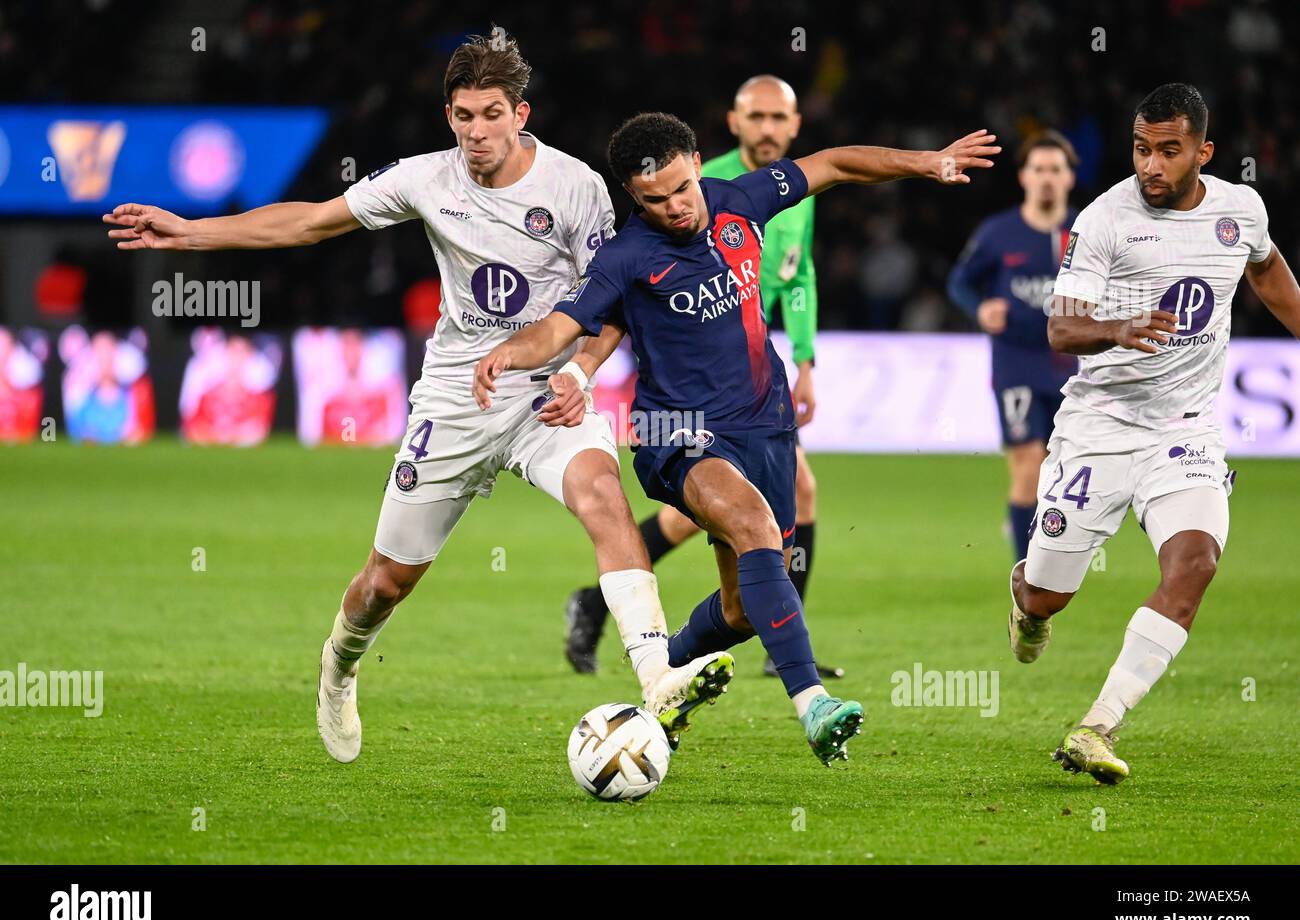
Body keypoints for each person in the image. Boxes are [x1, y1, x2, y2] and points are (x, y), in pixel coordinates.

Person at [103, 33, 735, 762]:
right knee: (387, 582)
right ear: (449, 116)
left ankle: (656, 679)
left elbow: (611, 298)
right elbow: (312, 220)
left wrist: (581, 372)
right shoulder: (425, 180)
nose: (476, 131)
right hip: (455, 397)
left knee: (605, 500)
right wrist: (192, 234)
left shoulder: (576, 188)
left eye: (491, 114)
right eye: (463, 115)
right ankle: (338, 665)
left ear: (520, 113)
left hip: (544, 394)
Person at [476, 112, 998, 763]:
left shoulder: (742, 199)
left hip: (764, 424)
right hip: (675, 434)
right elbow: (564, 325)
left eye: (680, 189)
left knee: (744, 609)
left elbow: (833, 164)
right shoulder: (627, 256)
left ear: (697, 163)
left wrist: (926, 161)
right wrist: (518, 357)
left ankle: (661, 684)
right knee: (752, 524)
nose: (672, 208)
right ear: (633, 201)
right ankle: (813, 705)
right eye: (653, 200)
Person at [1008, 83, 1300, 783]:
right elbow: (1060, 327)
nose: (1152, 166)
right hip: (1099, 429)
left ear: (1204, 150)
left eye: (1169, 151)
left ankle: (1095, 726)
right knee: (1049, 594)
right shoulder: (1106, 219)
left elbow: (1266, 271)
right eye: (1142, 149)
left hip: (1187, 430)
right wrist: (1118, 327)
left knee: (1195, 562)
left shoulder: (1241, 209)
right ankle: (1026, 598)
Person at [563, 75, 842, 680]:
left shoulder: (789, 190)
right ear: (734, 123)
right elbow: (624, 297)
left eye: (778, 118)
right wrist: (583, 364)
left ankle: (747, 625)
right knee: (741, 510)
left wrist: (806, 359)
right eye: (756, 116)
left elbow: (797, 277)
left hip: (751, 378)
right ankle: (782, 643)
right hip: (694, 382)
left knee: (728, 512)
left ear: (794, 126)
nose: (768, 128)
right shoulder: (699, 182)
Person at [947, 131, 1080, 560]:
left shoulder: (1083, 234)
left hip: (1071, 367)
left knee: (1060, 471)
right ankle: (1027, 576)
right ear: (1024, 176)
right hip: (1016, 364)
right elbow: (960, 282)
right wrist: (981, 307)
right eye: (1038, 169)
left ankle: (1039, 539)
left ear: (1068, 179)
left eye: (1054, 170)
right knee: (1027, 464)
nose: (1046, 178)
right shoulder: (998, 233)